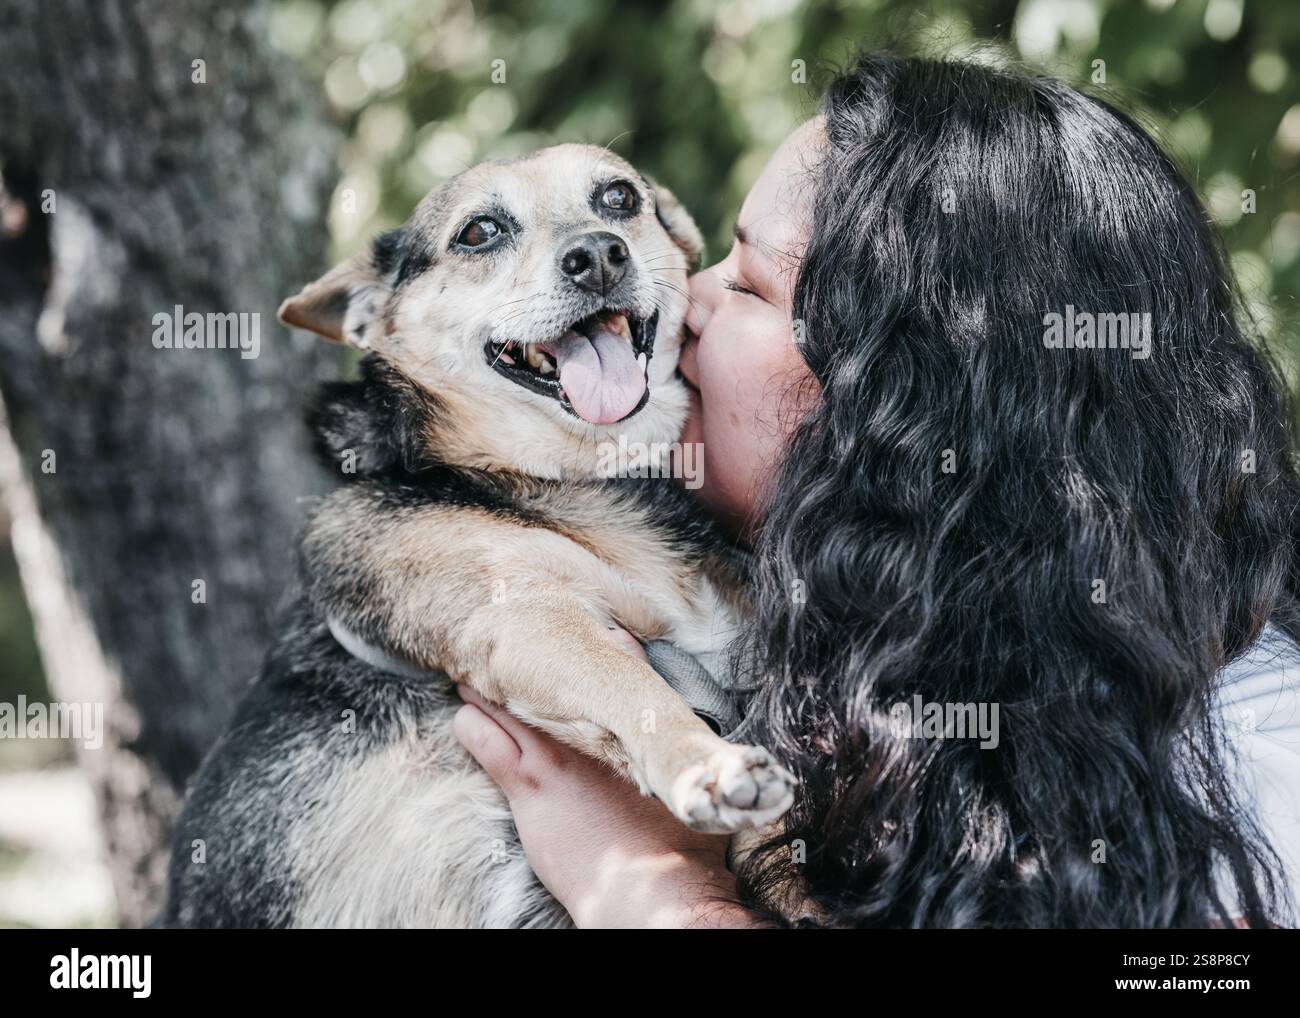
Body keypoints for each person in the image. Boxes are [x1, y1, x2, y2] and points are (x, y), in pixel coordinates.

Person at [453, 52, 1300, 928]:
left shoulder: (1260, 774)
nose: (680, 303)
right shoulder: (863, 653)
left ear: (907, 404)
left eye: (746, 283)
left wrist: (655, 891)